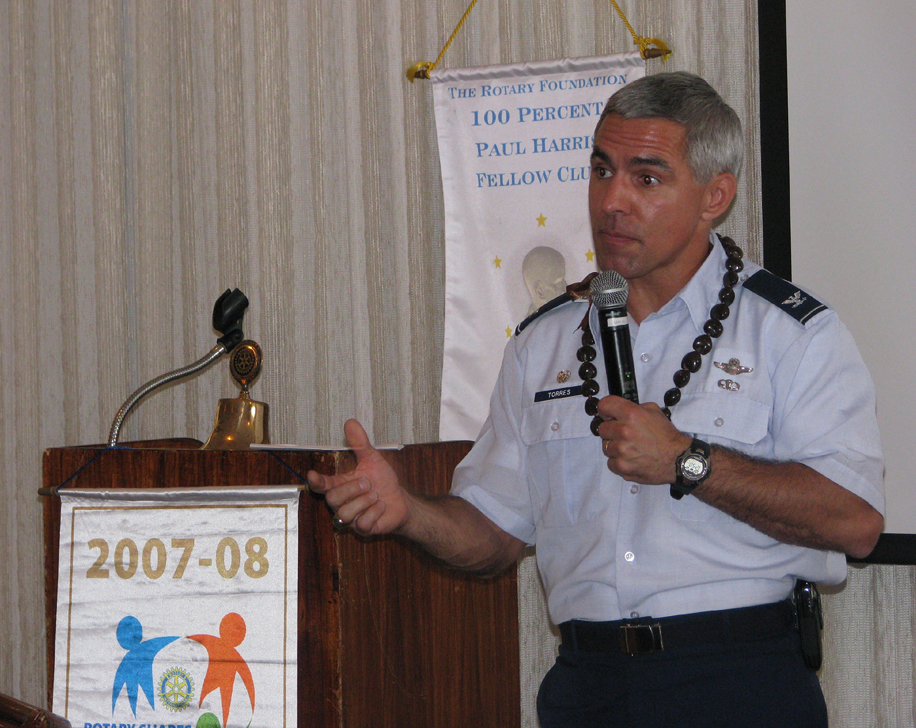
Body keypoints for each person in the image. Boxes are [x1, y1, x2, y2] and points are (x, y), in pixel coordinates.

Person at [307, 72, 884, 727]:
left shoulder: (788, 333)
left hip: (737, 680)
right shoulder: (543, 342)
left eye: (646, 178)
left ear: (714, 195)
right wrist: (406, 510)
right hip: (588, 686)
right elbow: (493, 533)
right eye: (601, 170)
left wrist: (688, 462)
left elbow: (854, 522)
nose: (611, 200)